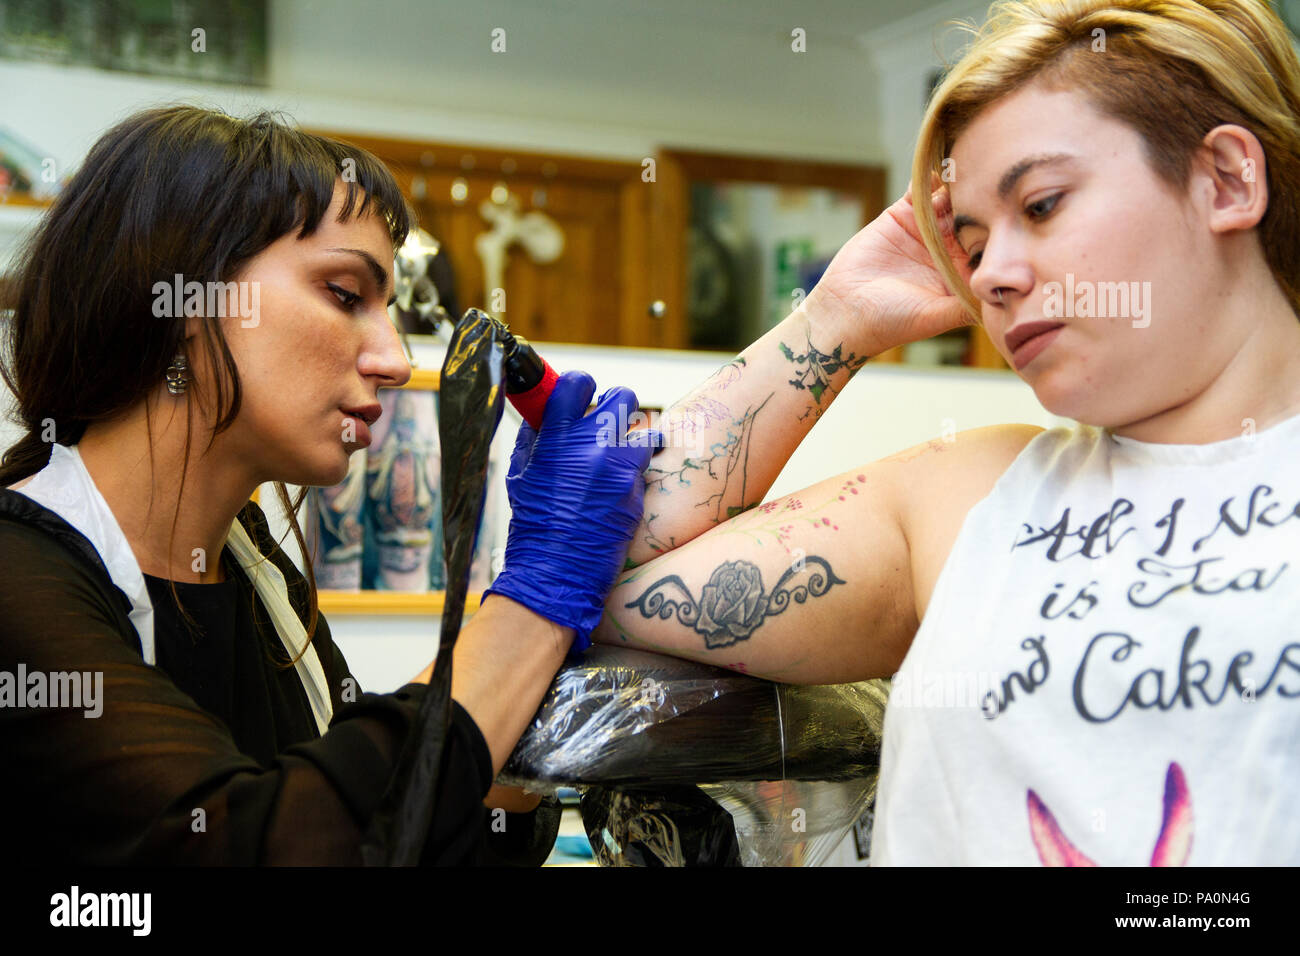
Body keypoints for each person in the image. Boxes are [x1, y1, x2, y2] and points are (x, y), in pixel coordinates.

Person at [592, 0, 1300, 865]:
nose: (992, 276)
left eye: (1040, 205)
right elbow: (596, 568)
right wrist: (836, 319)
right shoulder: (971, 494)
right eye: (969, 241)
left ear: (1226, 179)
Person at [0, 106, 654, 865]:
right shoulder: (17, 581)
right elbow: (266, 847)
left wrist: (554, 645)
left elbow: (397, 839)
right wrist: (535, 601)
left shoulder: (258, 579)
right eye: (346, 295)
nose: (394, 358)